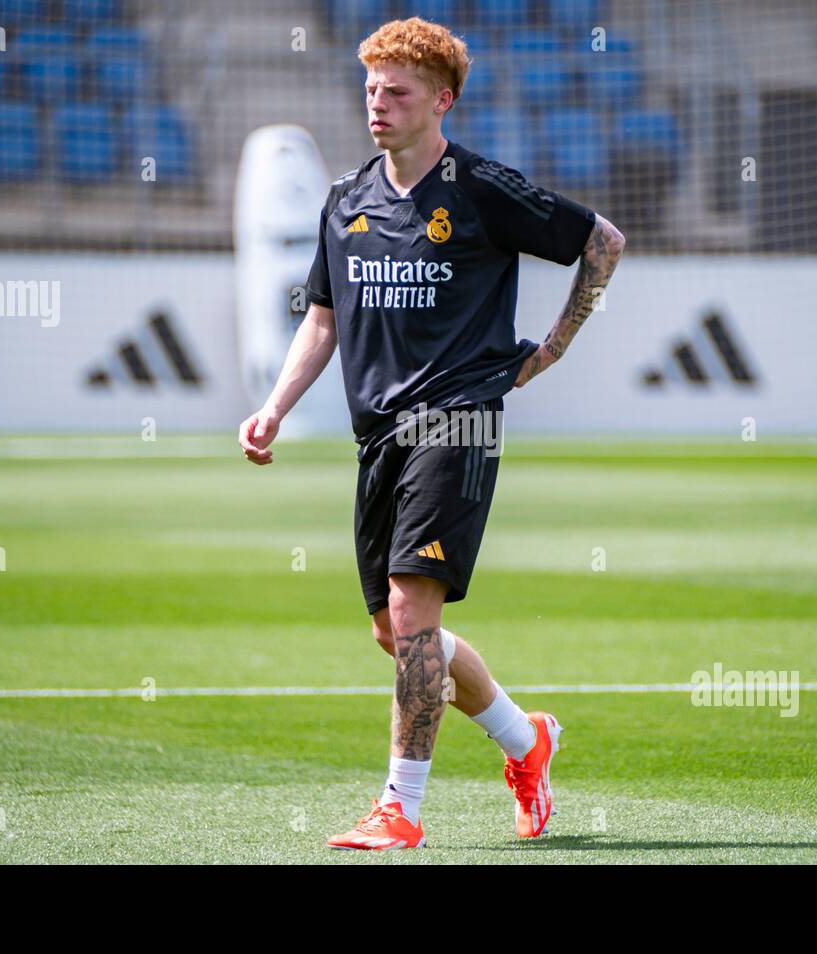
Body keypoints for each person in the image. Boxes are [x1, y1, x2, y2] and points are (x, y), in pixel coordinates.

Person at [237, 17, 625, 850]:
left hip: (458, 421)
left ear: (441, 100)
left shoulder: (483, 189)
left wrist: (550, 349)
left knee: (414, 612)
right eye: (371, 88)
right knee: (395, 632)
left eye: (397, 91)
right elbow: (323, 316)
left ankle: (399, 807)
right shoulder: (345, 202)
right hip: (378, 436)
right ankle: (528, 741)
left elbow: (601, 242)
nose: (378, 103)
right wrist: (275, 406)